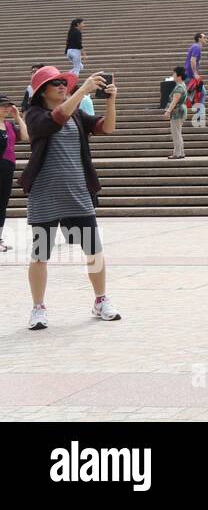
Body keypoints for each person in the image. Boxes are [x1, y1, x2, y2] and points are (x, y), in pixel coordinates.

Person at [22, 66, 121, 329]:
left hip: (77, 193)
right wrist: (82, 91)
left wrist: (111, 101)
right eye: (55, 84)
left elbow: (107, 128)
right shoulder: (33, 114)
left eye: (64, 83)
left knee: (94, 251)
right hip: (45, 195)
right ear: (42, 91)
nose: (62, 86)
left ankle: (101, 300)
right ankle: (38, 307)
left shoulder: (76, 113)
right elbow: (55, 119)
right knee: (40, 254)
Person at [0, 96, 29, 253]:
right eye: (3, 106)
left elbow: (25, 136)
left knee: (2, 203)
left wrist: (18, 117)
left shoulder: (9, 125)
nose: (7, 108)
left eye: (8, 106)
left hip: (8, 167)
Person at [164, 67, 188, 159]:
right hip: (181, 110)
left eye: (174, 73)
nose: (173, 75)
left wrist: (168, 111)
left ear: (179, 76)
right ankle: (180, 152)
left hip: (177, 111)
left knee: (176, 133)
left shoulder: (179, 87)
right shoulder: (183, 85)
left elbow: (175, 100)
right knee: (178, 132)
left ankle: (177, 153)